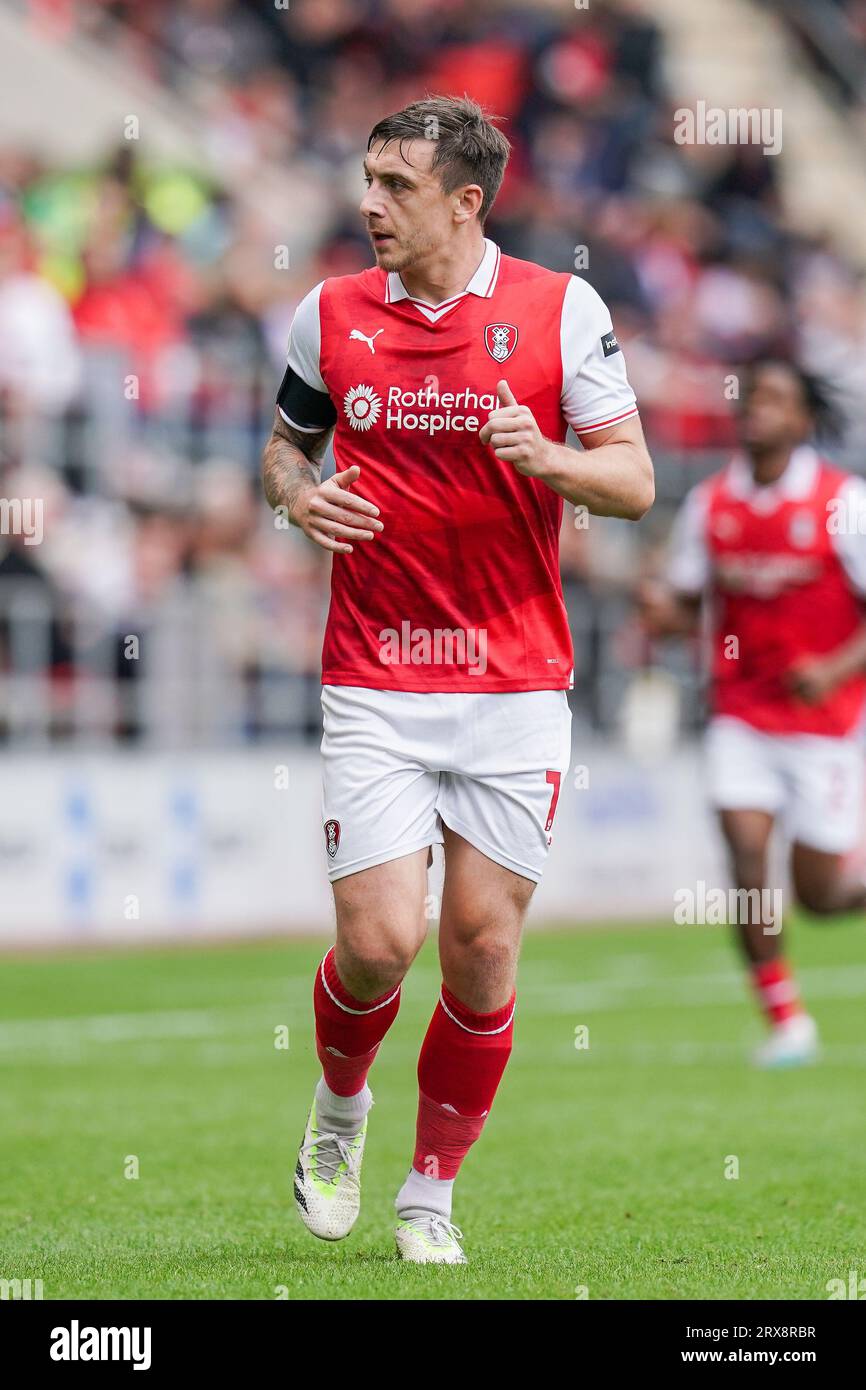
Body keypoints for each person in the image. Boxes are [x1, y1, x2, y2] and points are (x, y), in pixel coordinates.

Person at [262, 95, 653, 1263]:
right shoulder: (328, 313)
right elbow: (284, 446)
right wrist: (298, 497)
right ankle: (339, 1112)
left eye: (396, 185)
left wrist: (551, 458)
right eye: (367, 179)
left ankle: (429, 1193)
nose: (369, 204)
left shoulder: (559, 308)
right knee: (381, 942)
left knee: (479, 949)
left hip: (513, 680)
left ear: (464, 201)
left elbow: (632, 481)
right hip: (376, 674)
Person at [640, 359, 866, 1067]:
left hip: (827, 724)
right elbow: (686, 601)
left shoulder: (843, 503)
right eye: (752, 397)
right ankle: (787, 1023)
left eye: (776, 398)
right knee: (745, 853)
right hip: (739, 712)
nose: (757, 408)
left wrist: (832, 669)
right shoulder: (711, 504)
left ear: (804, 419)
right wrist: (662, 611)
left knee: (821, 894)